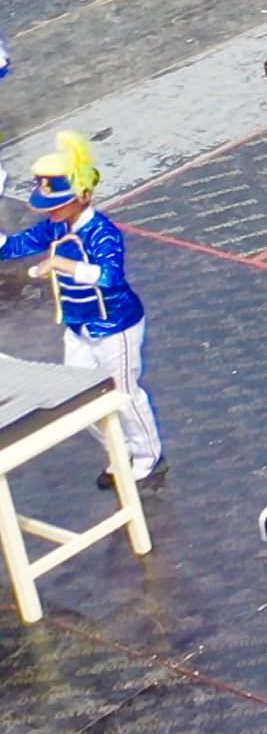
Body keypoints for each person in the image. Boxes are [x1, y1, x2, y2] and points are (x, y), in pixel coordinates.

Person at [4, 139, 161, 485]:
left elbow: (109, 277)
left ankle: (148, 455)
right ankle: (119, 452)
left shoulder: (102, 233)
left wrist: (61, 264)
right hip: (77, 325)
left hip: (114, 325)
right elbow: (20, 244)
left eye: (57, 203)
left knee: (124, 393)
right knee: (79, 397)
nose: (50, 211)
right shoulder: (56, 225)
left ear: (82, 196)